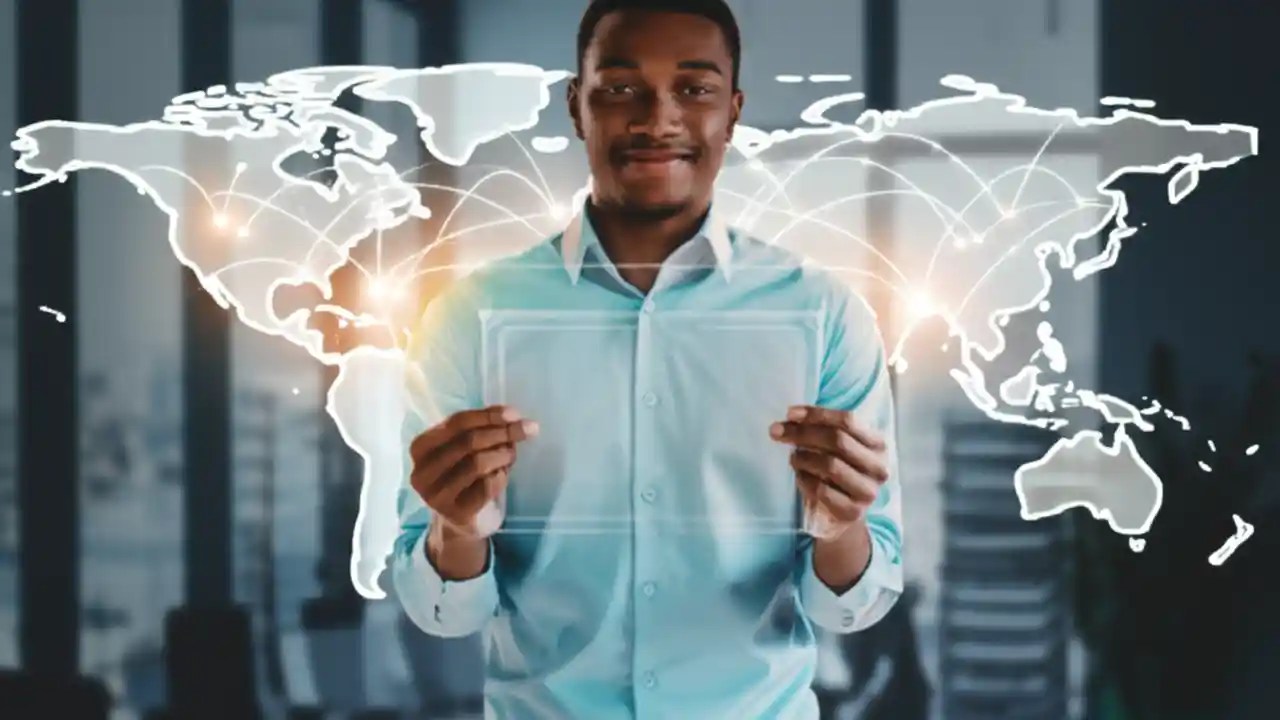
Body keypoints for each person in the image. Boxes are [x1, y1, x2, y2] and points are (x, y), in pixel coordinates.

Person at [392, 0, 903, 716]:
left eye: (694, 89)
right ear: (578, 105)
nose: (657, 119)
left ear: (733, 111)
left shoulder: (823, 316)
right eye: (621, 87)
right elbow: (442, 613)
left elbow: (855, 609)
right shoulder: (468, 316)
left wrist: (841, 526)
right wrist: (456, 529)